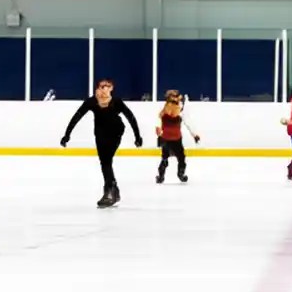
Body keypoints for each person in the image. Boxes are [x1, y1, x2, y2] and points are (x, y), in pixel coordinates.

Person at [61, 79, 143, 208]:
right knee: (105, 162)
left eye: (107, 86)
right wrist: (67, 135)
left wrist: (137, 136)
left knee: (106, 161)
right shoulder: (92, 101)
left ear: (112, 88)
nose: (104, 88)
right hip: (100, 134)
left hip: (116, 132)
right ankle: (111, 189)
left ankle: (110, 190)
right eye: (101, 86)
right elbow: (77, 116)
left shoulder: (116, 102)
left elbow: (130, 117)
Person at [155, 89, 201, 184]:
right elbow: (188, 123)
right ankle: (180, 174)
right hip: (175, 138)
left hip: (166, 138)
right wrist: (195, 135)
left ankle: (161, 176)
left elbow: (158, 122)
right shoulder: (179, 111)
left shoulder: (164, 110)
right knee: (181, 158)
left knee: (165, 157)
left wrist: (159, 134)